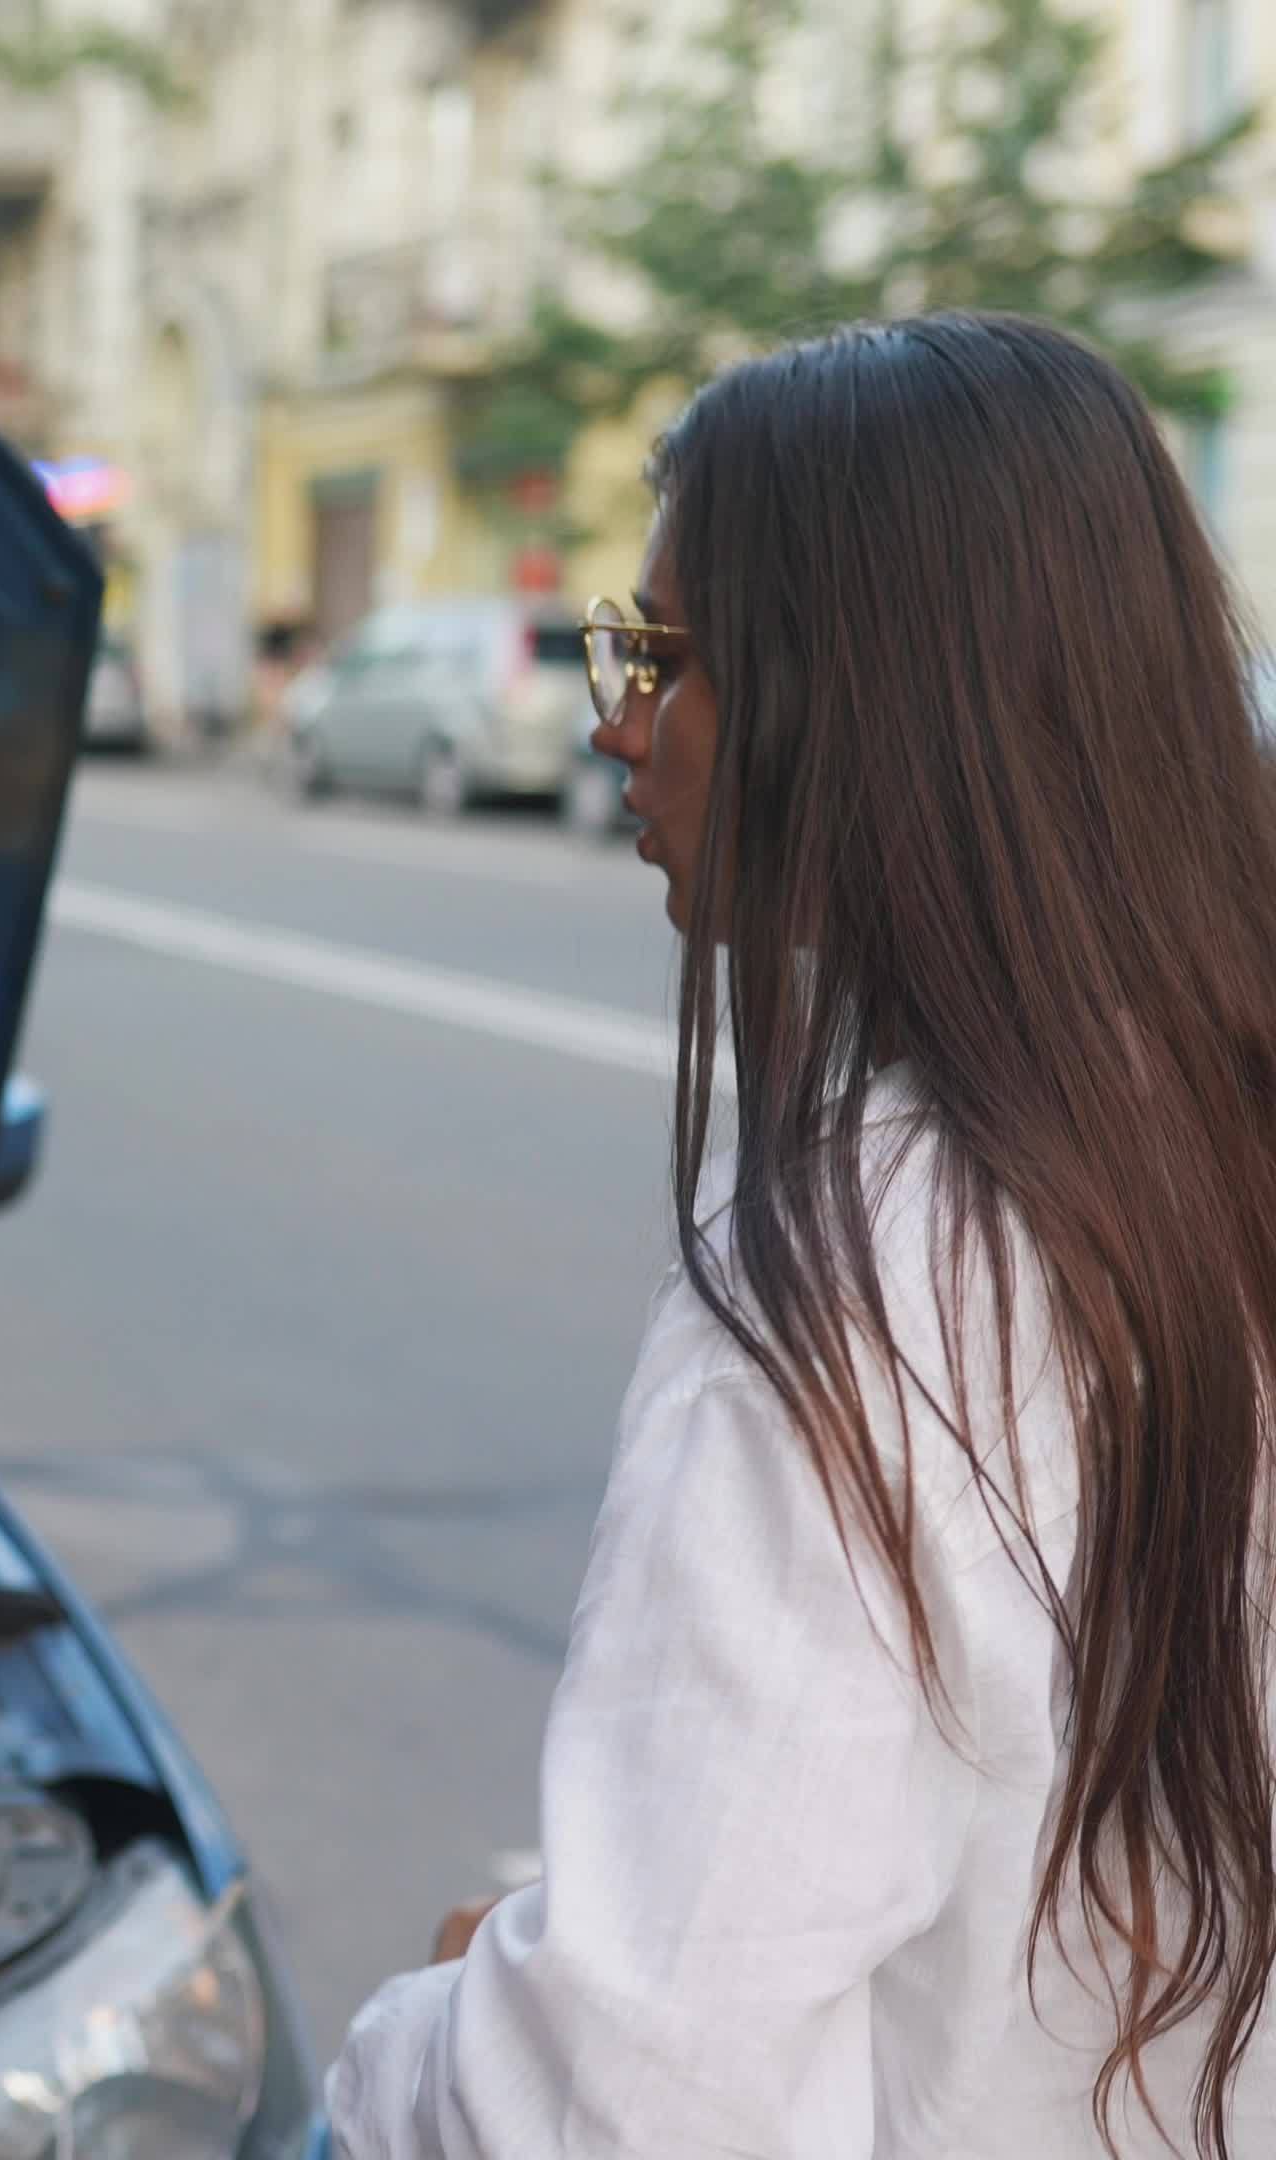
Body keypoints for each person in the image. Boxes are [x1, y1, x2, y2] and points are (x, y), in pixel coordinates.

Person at [326, 311, 1276, 2156]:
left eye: (664, 656)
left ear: (873, 698)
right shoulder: (1206, 1128)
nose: (617, 719)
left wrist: (431, 2027)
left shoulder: (873, 1276)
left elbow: (631, 2107)